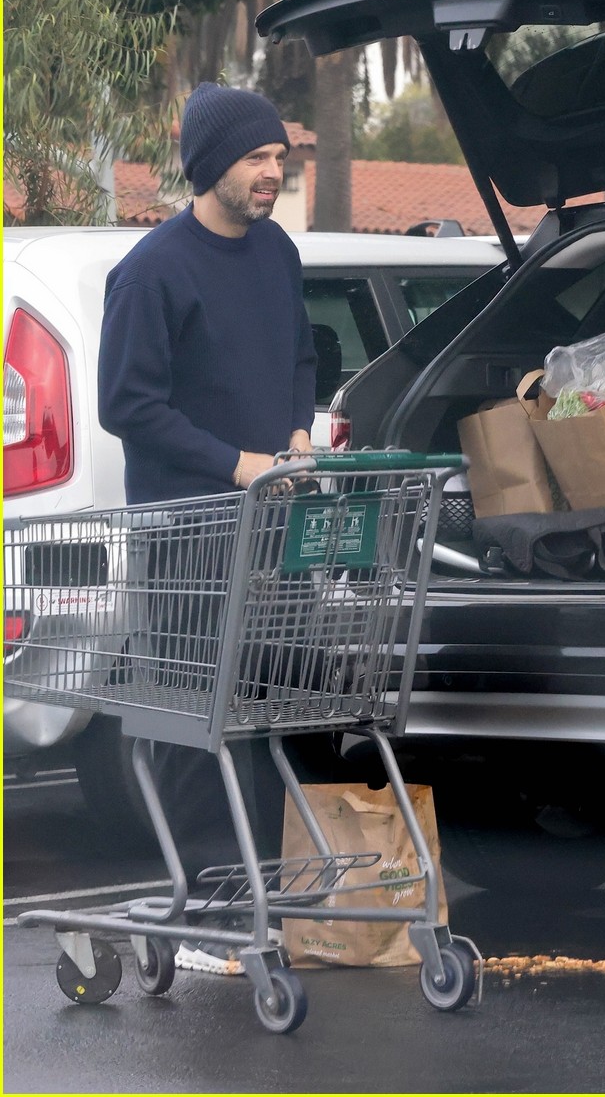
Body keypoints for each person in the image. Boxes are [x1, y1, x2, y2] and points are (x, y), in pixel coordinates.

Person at [98, 82, 318, 975]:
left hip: (272, 524)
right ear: (210, 164)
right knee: (198, 718)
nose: (272, 172)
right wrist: (237, 465)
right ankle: (208, 916)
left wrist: (297, 436)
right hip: (189, 529)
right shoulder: (152, 270)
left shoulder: (277, 252)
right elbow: (127, 405)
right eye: (255, 157)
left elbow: (301, 356)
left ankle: (263, 898)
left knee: (270, 710)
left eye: (278, 157)